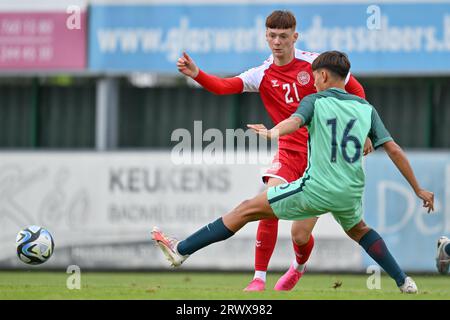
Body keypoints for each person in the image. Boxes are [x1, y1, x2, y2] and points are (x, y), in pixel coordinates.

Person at [153, 50, 434, 294]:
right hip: (350, 192)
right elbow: (395, 150)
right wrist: (418, 189)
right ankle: (403, 281)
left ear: (323, 76)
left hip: (317, 188)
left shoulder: (316, 100)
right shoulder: (366, 109)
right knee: (360, 230)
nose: (312, 81)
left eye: (314, 77)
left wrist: (273, 132)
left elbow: (294, 121)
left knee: (246, 209)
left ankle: (181, 251)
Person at [177, 10, 372, 291]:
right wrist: (198, 74)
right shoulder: (262, 73)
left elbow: (357, 91)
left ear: (295, 36)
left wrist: (364, 131)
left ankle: (298, 266)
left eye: (283, 35)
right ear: (265, 37)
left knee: (300, 234)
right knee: (266, 203)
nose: (277, 41)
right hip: (289, 153)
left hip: (321, 157)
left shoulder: (315, 65)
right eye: (272, 35)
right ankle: (258, 278)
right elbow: (224, 87)